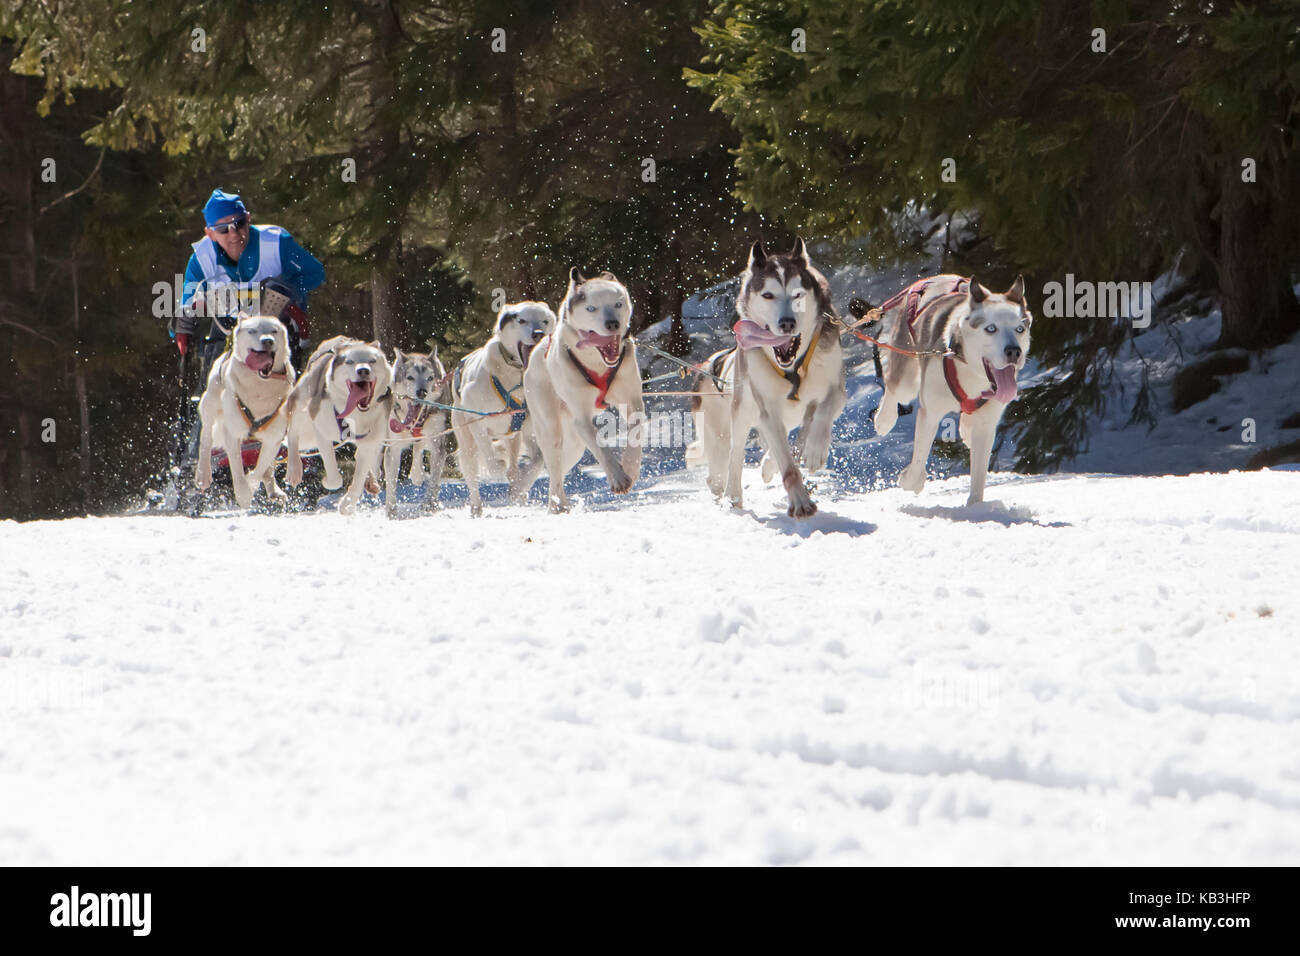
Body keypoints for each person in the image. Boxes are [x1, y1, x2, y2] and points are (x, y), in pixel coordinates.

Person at [172, 188, 325, 364]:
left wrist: (289, 289)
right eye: (223, 229)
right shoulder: (201, 259)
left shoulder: (276, 242)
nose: (234, 234)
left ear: (249, 219)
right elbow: (187, 304)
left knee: (275, 292)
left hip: (277, 327)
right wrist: (181, 324)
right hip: (227, 329)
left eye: (240, 223)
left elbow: (315, 272)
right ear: (210, 234)